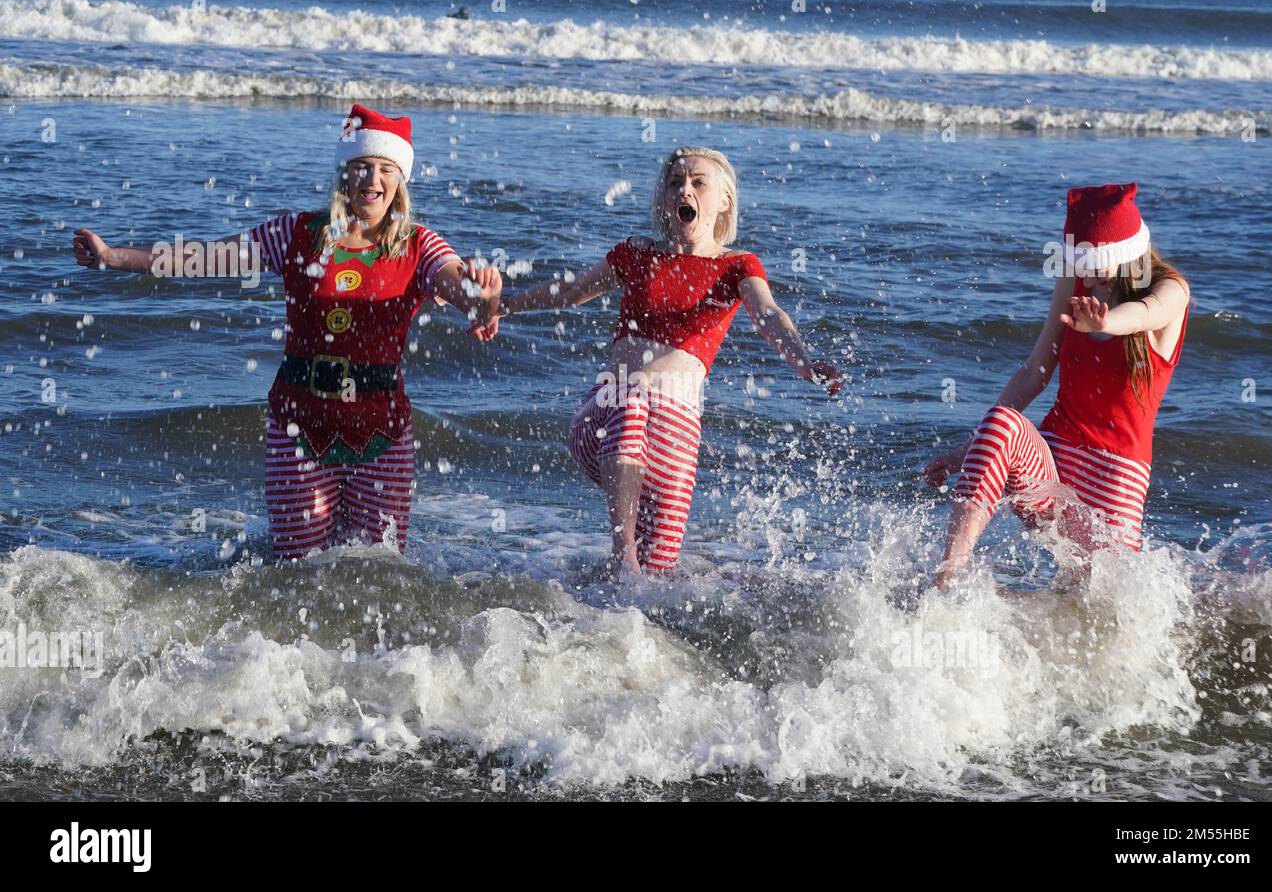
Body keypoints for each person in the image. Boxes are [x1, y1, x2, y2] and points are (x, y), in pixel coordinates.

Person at [72, 103, 501, 560]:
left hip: (382, 435)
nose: (372, 181)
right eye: (362, 167)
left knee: (379, 574)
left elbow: (457, 285)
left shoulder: (419, 244)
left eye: (384, 169)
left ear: (400, 181)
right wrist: (113, 258)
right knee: (294, 571)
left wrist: (483, 298)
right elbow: (204, 257)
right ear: (344, 173)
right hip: (298, 426)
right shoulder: (296, 234)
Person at [488, 146, 844, 575]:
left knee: (654, 583)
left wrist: (806, 363)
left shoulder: (737, 266)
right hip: (605, 418)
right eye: (675, 182)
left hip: (675, 434)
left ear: (724, 202)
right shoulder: (638, 253)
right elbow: (572, 290)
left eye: (698, 182)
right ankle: (624, 552)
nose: (685, 189)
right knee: (634, 396)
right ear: (663, 200)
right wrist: (504, 305)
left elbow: (769, 316)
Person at [923, 182, 1190, 591]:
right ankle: (947, 581)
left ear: (1125, 255)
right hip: (1053, 466)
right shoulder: (1077, 281)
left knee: (1087, 602)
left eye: (1096, 265)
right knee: (1001, 422)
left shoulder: (1170, 290)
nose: (1087, 276)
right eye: (1080, 263)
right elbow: (1035, 370)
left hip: (1112, 491)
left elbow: (1145, 313)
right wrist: (973, 449)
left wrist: (1106, 324)